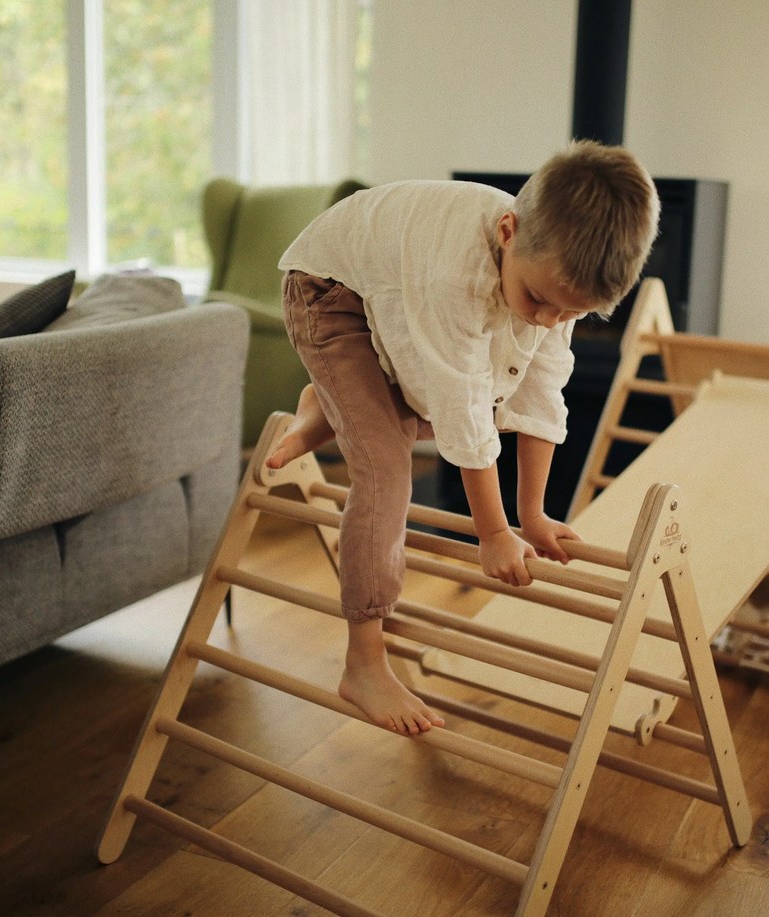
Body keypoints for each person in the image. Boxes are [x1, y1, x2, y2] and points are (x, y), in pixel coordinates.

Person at [267, 140, 659, 736]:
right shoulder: (455, 277)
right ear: (507, 231)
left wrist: (533, 514)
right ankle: (363, 663)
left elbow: (537, 393)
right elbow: (461, 411)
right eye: (538, 301)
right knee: (385, 465)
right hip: (330, 293)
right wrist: (492, 533)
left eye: (570, 315)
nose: (548, 321)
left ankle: (333, 400)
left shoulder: (549, 279)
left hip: (390, 295)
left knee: (484, 396)